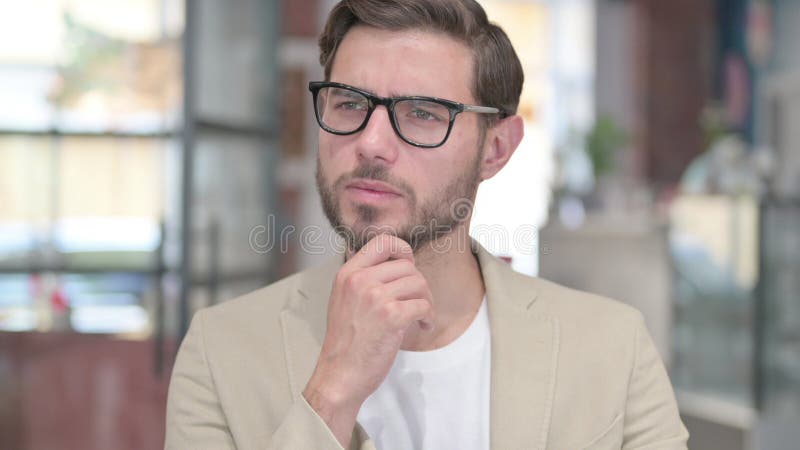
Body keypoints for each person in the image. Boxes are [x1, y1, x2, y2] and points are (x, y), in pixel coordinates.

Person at [165, 1, 689, 449]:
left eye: (422, 113)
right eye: (348, 103)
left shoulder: (613, 350)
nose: (370, 141)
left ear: (497, 148)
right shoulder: (220, 351)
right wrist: (333, 390)